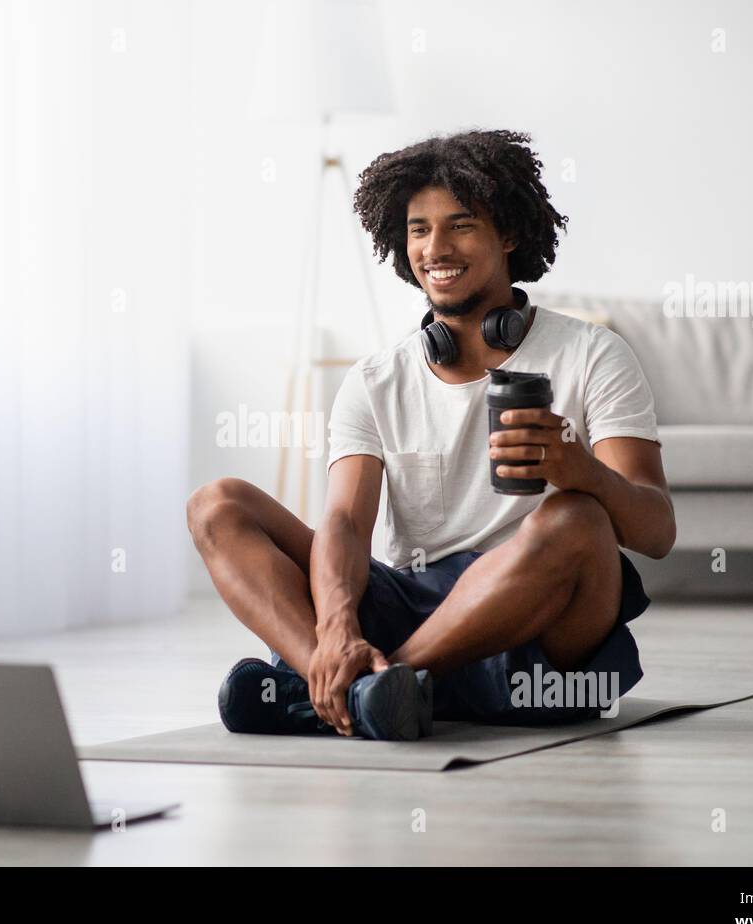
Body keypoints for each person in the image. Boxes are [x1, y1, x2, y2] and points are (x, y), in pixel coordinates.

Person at [187, 129, 675, 740]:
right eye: (419, 229)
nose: (435, 247)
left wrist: (583, 472)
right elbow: (343, 523)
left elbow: (657, 532)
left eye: (461, 224)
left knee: (577, 519)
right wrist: (337, 626)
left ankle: (370, 686)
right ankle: (336, 678)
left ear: (510, 235)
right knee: (218, 505)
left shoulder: (592, 355)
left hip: (538, 622)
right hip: (413, 595)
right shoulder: (375, 379)